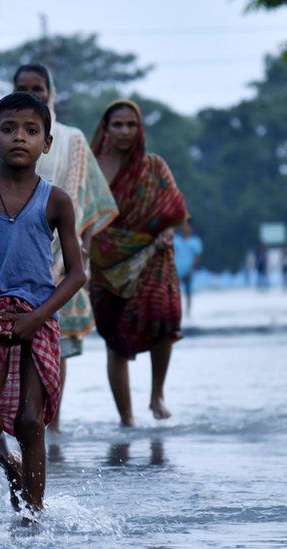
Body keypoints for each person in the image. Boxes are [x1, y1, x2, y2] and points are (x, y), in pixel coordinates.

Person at [0, 92, 86, 518]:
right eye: (8, 129)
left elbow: (76, 274)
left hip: (38, 320)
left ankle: (33, 517)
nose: (19, 137)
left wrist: (37, 318)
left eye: (30, 130)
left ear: (47, 143)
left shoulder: (55, 200)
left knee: (29, 420)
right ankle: (10, 466)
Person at [0, 63, 118, 433]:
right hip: (10, 252)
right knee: (1, 341)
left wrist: (79, 253)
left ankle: (49, 424)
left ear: (50, 93)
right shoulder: (2, 136)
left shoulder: (71, 138)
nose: (31, 93)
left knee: (52, 338)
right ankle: (9, 426)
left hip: (60, 252)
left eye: (38, 88)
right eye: (22, 87)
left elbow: (85, 195)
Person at [89, 99, 189, 427]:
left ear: (140, 128)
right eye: (117, 124)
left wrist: (167, 233)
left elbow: (172, 210)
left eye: (131, 124)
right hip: (105, 260)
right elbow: (80, 213)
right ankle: (126, 417)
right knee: (114, 337)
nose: (124, 131)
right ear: (105, 128)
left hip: (154, 255)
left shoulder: (154, 166)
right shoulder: (91, 168)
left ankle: (157, 394)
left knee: (164, 320)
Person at [173, 220, 203, 316]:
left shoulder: (196, 241)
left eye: (187, 226)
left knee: (188, 292)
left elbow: (197, 258)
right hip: (175, 272)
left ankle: (188, 312)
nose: (185, 228)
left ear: (192, 228)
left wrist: (191, 271)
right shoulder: (176, 240)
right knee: (174, 293)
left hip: (188, 272)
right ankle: (175, 310)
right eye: (184, 226)